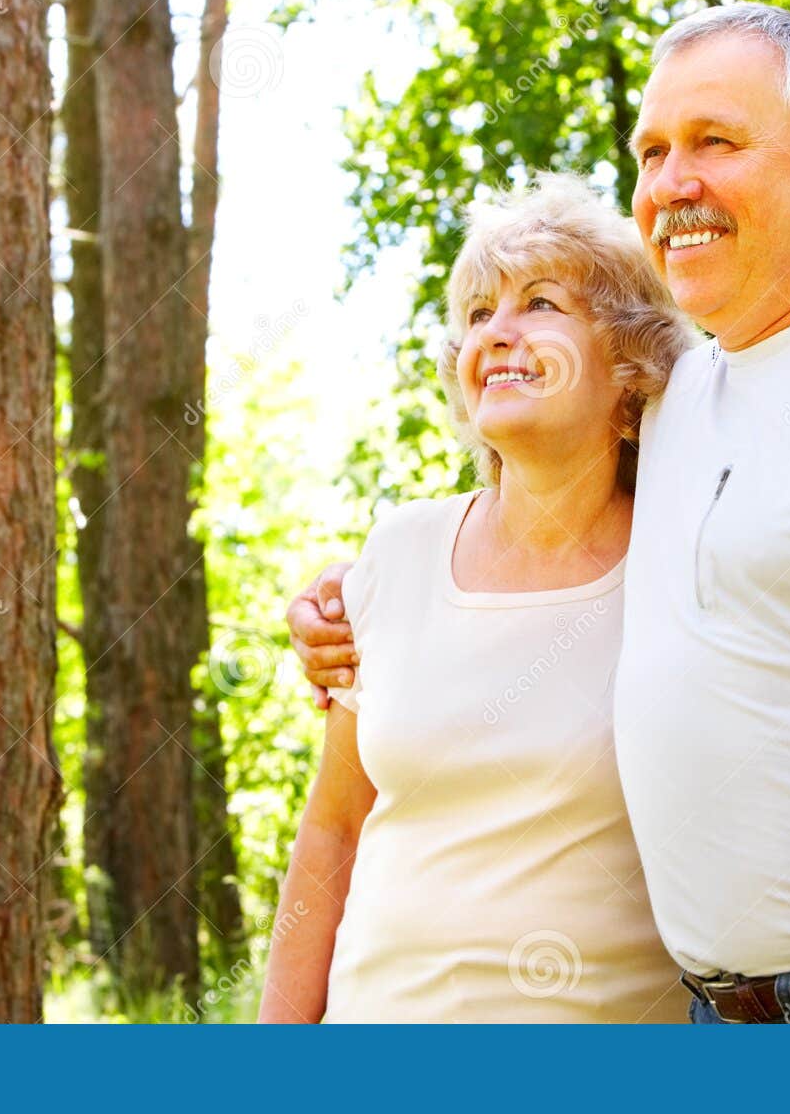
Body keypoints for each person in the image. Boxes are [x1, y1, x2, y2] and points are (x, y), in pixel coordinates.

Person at [288, 3, 790, 1024]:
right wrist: (337, 605)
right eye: (651, 152)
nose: (672, 183)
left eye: (714, 142)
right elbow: (529, 531)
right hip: (722, 1025)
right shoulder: (682, 406)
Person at [258, 174, 695, 1022]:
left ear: (628, 363)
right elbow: (333, 832)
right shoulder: (397, 554)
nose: (497, 333)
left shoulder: (686, 563)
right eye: (476, 314)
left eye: (540, 304)